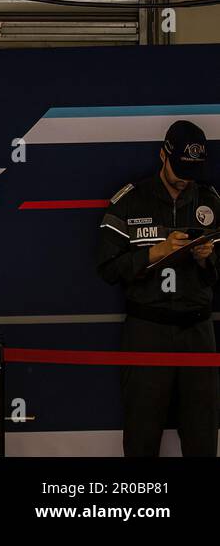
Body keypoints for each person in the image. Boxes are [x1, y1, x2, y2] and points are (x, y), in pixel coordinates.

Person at [97, 120, 220, 457]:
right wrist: (155, 253)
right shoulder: (129, 200)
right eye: (179, 167)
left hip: (198, 330)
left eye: (191, 170)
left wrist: (207, 258)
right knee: (141, 434)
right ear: (163, 155)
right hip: (146, 329)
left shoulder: (211, 199)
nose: (184, 177)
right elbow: (107, 268)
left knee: (202, 436)